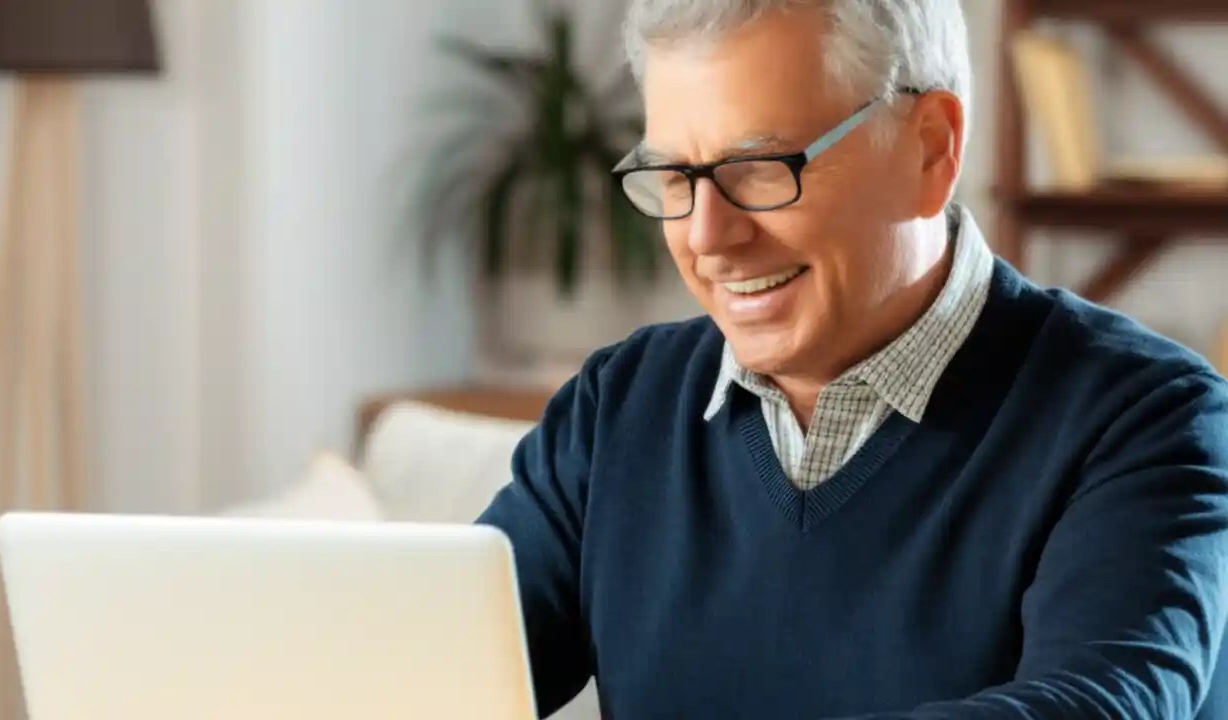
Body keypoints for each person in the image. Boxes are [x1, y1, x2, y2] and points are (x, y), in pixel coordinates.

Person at [477, 1, 1228, 718]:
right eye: (677, 177)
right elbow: (433, 668)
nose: (707, 237)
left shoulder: (1151, 421)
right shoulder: (618, 408)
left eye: (761, 167)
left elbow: (1095, 706)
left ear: (930, 149)